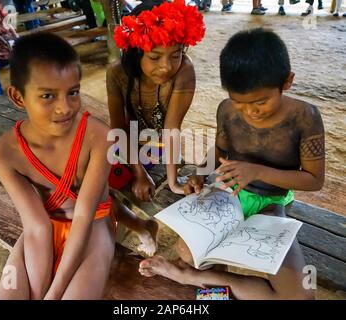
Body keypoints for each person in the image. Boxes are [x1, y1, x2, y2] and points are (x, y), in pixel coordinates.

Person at [139, 28, 325, 300]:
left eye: (261, 102)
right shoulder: (226, 109)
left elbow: (313, 179)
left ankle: (195, 277)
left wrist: (257, 172)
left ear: (287, 82)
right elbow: (219, 149)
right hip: (226, 195)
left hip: (270, 202)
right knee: (189, 253)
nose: (250, 111)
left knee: (300, 296)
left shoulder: (305, 117)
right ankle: (204, 283)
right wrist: (201, 173)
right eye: (240, 103)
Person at [0, 32, 157, 300]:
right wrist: (40, 291)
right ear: (18, 97)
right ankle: (140, 225)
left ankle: (141, 225)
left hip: (92, 227)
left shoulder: (97, 137)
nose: (64, 108)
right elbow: (37, 227)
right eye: (47, 96)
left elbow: (82, 217)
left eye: (73, 92)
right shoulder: (3, 155)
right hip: (40, 232)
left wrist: (54, 293)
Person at [107, 0, 205, 201]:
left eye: (175, 55)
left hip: (160, 147)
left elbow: (171, 128)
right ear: (136, 52)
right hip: (127, 143)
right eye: (154, 57)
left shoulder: (184, 71)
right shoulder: (116, 73)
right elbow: (117, 129)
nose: (165, 67)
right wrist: (139, 173)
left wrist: (173, 182)